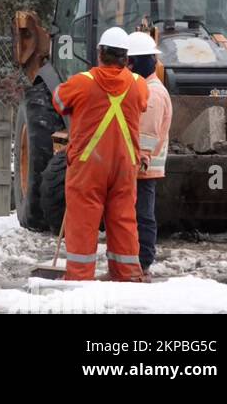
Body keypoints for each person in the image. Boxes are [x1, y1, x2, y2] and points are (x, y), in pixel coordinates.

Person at [51, 27, 149, 281]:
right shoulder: (139, 84)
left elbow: (59, 102)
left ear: (100, 54)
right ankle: (127, 275)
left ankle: (80, 277)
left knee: (83, 219)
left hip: (88, 164)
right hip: (125, 164)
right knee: (124, 219)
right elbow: (142, 103)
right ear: (126, 58)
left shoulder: (82, 82)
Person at [126, 31, 172, 276]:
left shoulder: (152, 92)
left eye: (129, 61)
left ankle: (143, 260)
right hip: (143, 164)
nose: (126, 66)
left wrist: (139, 158)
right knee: (140, 213)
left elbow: (147, 134)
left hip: (144, 166)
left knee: (142, 214)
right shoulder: (146, 87)